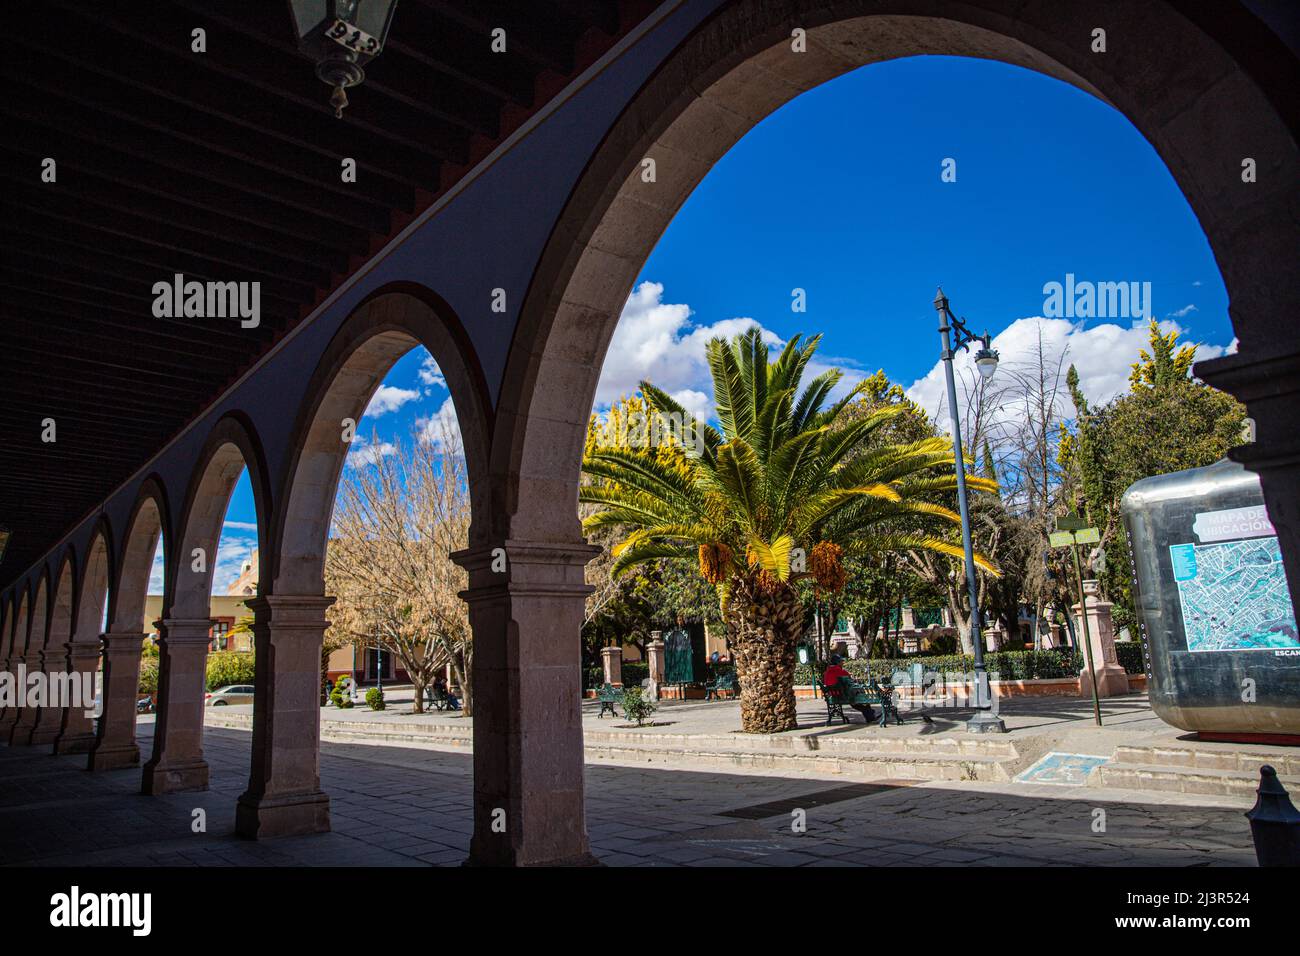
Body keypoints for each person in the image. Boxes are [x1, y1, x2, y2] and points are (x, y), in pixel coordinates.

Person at [822, 654, 877, 723]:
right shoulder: (840, 671)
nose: (842, 663)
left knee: (856, 702)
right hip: (843, 696)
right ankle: (870, 713)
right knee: (861, 697)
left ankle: (870, 715)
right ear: (837, 662)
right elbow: (850, 682)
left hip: (833, 696)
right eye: (841, 661)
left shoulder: (827, 672)